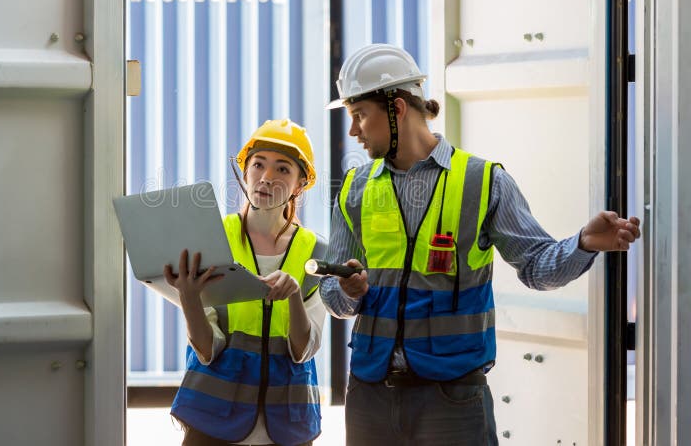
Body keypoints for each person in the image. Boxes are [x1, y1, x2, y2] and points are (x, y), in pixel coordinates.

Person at [319, 44, 642, 446]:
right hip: (369, 396)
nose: (354, 131)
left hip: (452, 399)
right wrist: (347, 292)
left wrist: (583, 244)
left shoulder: (483, 182)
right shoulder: (355, 188)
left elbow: (537, 268)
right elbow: (332, 292)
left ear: (397, 108)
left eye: (359, 115)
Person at [166, 119, 327, 446]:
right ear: (245, 172)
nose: (267, 177)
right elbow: (206, 349)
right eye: (258, 165)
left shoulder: (316, 252)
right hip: (214, 420)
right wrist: (189, 299)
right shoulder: (214, 240)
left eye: (283, 169)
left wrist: (294, 295)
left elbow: (304, 349)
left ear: (299, 185)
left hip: (287, 424)